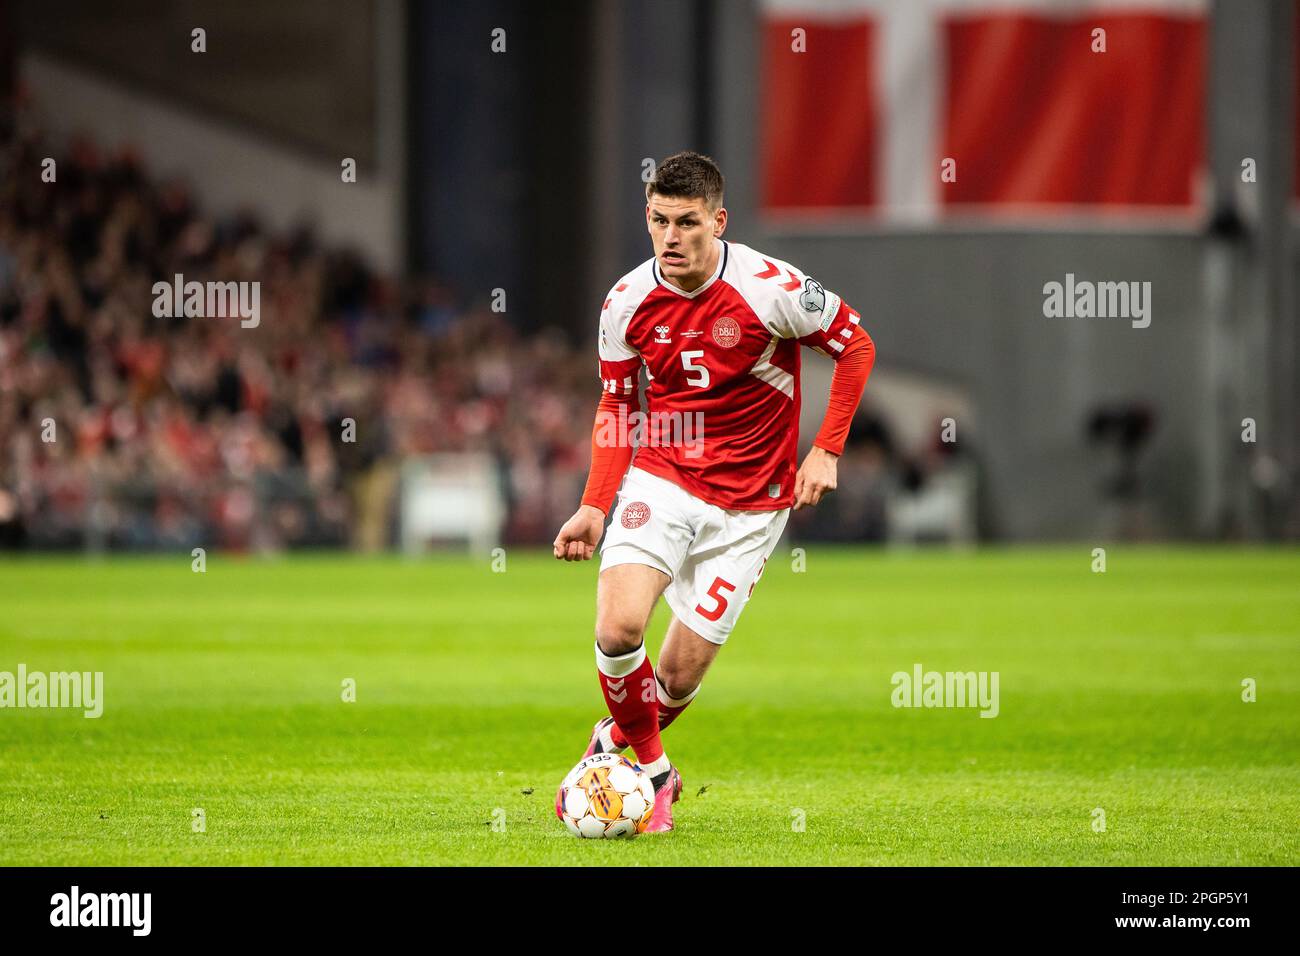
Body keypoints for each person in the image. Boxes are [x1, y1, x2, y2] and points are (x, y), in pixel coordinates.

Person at [552, 151, 876, 832]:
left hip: (753, 505)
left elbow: (855, 346)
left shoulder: (770, 287)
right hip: (663, 479)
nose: (670, 237)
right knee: (618, 628)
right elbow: (617, 405)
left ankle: (615, 746)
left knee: (679, 678)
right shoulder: (626, 302)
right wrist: (593, 503)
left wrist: (827, 449)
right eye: (659, 220)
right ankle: (655, 774)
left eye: (687, 222)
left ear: (718, 222)